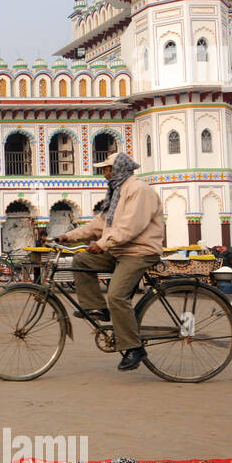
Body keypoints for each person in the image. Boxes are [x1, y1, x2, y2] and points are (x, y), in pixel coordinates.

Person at [56, 152, 164, 371]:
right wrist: (69, 236)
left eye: (107, 169)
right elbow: (100, 225)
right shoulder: (117, 192)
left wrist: (103, 244)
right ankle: (96, 308)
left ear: (119, 170)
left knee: (116, 295)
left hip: (139, 252)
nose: (104, 172)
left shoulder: (139, 190)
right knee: (82, 260)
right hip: (119, 249)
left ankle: (134, 348)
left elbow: (130, 227)